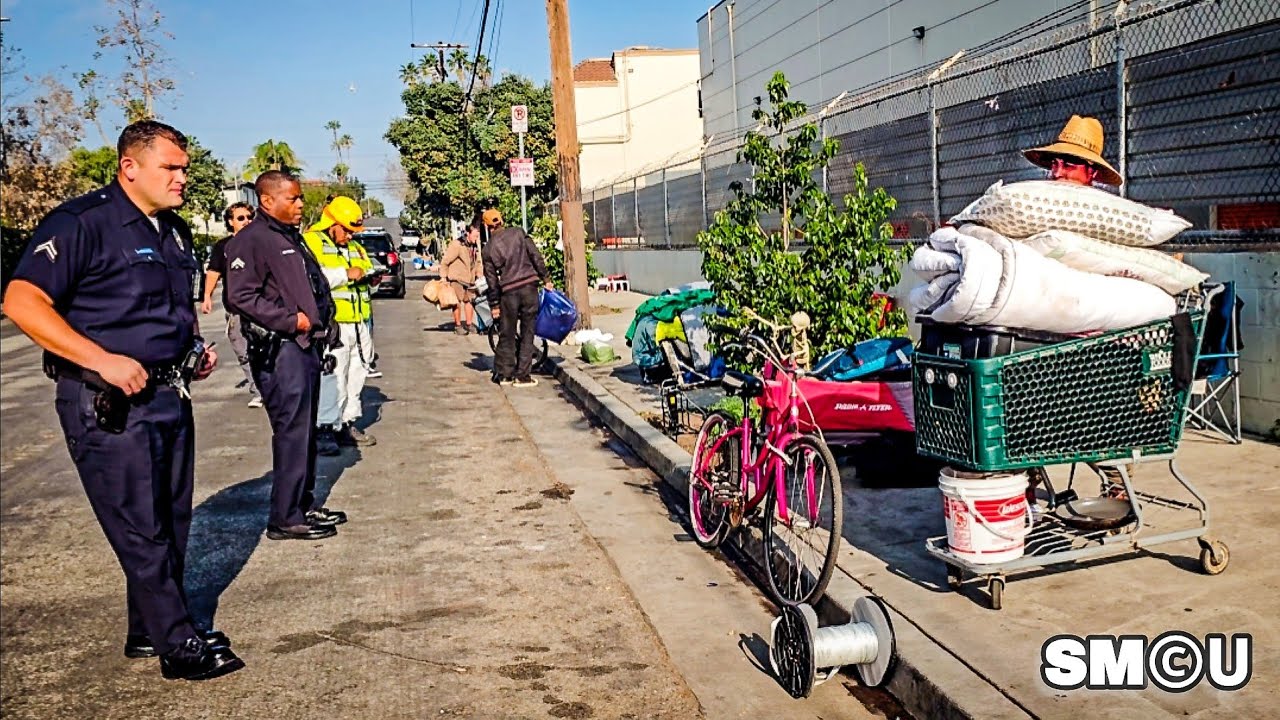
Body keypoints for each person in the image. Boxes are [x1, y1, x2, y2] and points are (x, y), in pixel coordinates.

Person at [2, 120, 244, 681]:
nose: (183, 177)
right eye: (171, 168)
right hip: (107, 402)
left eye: (185, 167)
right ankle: (178, 644)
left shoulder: (174, 231)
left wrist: (192, 351)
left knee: (171, 518)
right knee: (139, 526)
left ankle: (149, 627)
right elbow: (22, 301)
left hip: (167, 393)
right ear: (130, 167)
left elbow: (164, 311)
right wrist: (99, 358)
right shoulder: (84, 223)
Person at [224, 171, 345, 541]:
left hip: (307, 346)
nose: (299, 205)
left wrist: (326, 322)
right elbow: (241, 296)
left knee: (305, 431)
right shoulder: (252, 240)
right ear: (267, 201)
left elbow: (311, 285)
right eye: (291, 199)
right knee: (292, 432)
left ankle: (303, 504)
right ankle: (285, 517)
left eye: (299, 199)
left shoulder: (289, 237)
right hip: (281, 350)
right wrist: (292, 320)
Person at [1023, 115, 1133, 499]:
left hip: (1092, 340)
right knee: (1020, 410)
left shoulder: (1105, 216)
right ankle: (1025, 489)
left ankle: (1117, 486)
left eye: (1067, 164)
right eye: (1053, 163)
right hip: (1045, 330)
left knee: (1087, 417)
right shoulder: (1039, 209)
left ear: (1091, 172)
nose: (1057, 172)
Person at [303, 196, 378, 454]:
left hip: (360, 320)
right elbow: (310, 280)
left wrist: (370, 277)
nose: (349, 235)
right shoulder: (312, 242)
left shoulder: (354, 246)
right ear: (332, 223)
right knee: (333, 374)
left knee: (358, 370)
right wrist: (347, 275)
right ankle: (325, 427)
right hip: (334, 322)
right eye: (346, 230)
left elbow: (365, 268)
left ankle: (346, 422)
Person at [482, 209, 553, 387]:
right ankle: (522, 376)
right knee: (528, 332)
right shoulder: (519, 233)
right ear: (502, 220)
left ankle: (504, 374)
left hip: (509, 294)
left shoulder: (488, 249)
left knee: (507, 333)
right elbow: (535, 256)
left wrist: (495, 305)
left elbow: (492, 282)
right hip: (529, 289)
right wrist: (546, 278)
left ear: (486, 225)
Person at [201, 201, 262, 408]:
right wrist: (207, 296)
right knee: (243, 352)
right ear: (230, 222)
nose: (246, 221)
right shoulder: (223, 247)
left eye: (249, 217)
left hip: (263, 309)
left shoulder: (262, 243)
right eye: (240, 218)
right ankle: (258, 391)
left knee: (267, 351)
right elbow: (213, 272)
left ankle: (271, 387)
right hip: (235, 311)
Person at [441, 224, 483, 335]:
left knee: (469, 301)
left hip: (469, 280)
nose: (476, 239)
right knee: (456, 303)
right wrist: (443, 277)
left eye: (477, 236)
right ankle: (458, 325)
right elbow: (446, 261)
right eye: (474, 236)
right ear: (468, 234)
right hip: (457, 278)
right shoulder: (457, 245)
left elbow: (478, 262)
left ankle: (469, 324)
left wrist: (479, 275)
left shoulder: (474, 246)